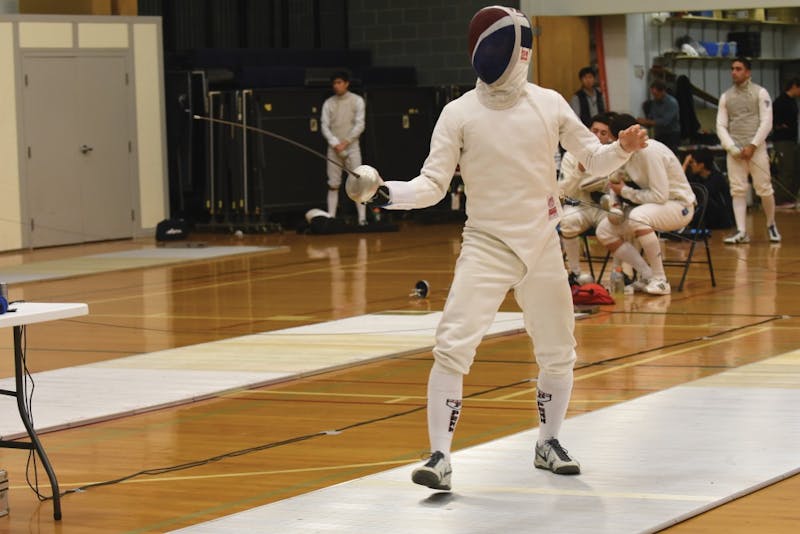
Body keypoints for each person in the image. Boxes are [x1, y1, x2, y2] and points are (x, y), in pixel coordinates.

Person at [346, 6, 648, 489]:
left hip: (542, 243)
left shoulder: (548, 103)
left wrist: (623, 149)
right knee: (451, 347)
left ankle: (548, 442)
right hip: (487, 244)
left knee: (558, 351)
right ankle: (439, 457)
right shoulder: (459, 113)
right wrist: (385, 192)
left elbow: (591, 160)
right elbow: (432, 185)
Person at [595, 114, 696, 296]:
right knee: (604, 229)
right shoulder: (622, 152)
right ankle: (646, 274)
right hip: (653, 207)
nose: (610, 141)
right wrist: (615, 205)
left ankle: (661, 280)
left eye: (610, 136)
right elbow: (614, 181)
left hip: (679, 206)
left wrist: (625, 192)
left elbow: (659, 196)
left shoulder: (650, 152)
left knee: (638, 217)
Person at [716, 57, 780, 244]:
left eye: (738, 68)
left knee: (764, 189)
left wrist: (753, 145)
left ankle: (771, 224)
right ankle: (741, 231)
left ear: (748, 72)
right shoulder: (726, 97)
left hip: (756, 150)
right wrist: (732, 148)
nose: (734, 72)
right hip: (735, 152)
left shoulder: (760, 93)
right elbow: (720, 125)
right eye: (732, 68)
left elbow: (767, 122)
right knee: (738, 190)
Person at [558, 112, 618, 281]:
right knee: (567, 221)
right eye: (594, 131)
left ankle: (619, 273)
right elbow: (562, 191)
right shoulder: (571, 155)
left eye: (603, 133)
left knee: (621, 220)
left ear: (610, 137)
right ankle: (575, 273)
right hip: (580, 206)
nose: (597, 136)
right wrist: (579, 172)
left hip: (604, 208)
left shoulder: (614, 155)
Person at [321, 71, 367, 225]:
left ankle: (362, 218)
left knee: (358, 182)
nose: (337, 86)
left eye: (339, 82)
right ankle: (331, 218)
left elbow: (360, 124)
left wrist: (346, 142)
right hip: (333, 150)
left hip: (352, 148)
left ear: (347, 83)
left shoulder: (357, 101)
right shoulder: (329, 103)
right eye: (334, 83)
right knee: (333, 183)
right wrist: (335, 143)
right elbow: (324, 126)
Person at [683, 149, 734, 229]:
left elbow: (703, 196)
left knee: (702, 198)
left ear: (701, 165)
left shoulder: (717, 178)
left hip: (722, 221)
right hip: (706, 221)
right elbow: (681, 184)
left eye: (692, 162)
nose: (691, 165)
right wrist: (685, 165)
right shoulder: (696, 177)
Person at [772, 77, 800, 207]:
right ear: (794, 86)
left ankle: (791, 197)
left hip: (792, 140)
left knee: (794, 169)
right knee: (786, 169)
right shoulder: (780, 102)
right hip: (782, 141)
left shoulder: (793, 102)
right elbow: (773, 120)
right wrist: (780, 126)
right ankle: (780, 200)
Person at [638, 80, 681, 153]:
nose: (654, 96)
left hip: (671, 134)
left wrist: (647, 121)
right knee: (659, 154)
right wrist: (641, 122)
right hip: (659, 134)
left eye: (656, 94)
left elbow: (665, 122)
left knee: (671, 155)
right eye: (653, 94)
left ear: (663, 91)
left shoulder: (672, 102)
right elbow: (652, 119)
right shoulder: (654, 102)